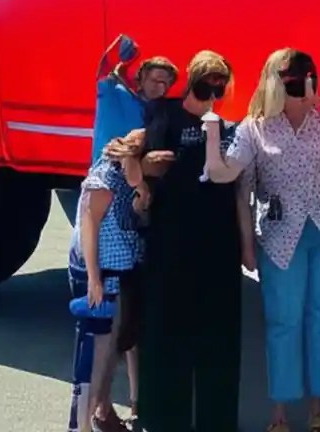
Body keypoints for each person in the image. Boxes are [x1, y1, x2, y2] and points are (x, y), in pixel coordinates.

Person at [203, 49, 320, 432]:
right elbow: (236, 184)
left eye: (307, 77)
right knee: (283, 322)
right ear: (275, 83)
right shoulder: (254, 128)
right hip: (279, 236)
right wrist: (248, 244)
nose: (302, 86)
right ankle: (280, 412)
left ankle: (319, 407)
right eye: (292, 80)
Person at [137, 50, 253, 432]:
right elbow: (144, 165)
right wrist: (149, 165)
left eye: (221, 86)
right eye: (209, 83)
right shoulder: (164, 114)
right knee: (166, 332)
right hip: (170, 239)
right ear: (193, 79)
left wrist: (246, 244)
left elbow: (238, 191)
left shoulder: (228, 127)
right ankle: (161, 419)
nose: (214, 92)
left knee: (217, 338)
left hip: (218, 244)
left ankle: (216, 422)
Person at [67, 130, 150, 432]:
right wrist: (93, 278)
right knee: (96, 356)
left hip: (121, 273)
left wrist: (141, 199)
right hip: (101, 275)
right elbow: (89, 222)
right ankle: (82, 423)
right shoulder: (106, 176)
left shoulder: (130, 182)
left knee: (116, 347)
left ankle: (102, 411)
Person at [92, 34, 177, 161]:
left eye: (163, 83)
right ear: (141, 80)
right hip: (103, 175)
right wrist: (123, 52)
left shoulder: (164, 113)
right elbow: (104, 71)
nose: (157, 85)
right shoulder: (117, 95)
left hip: (137, 177)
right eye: (153, 79)